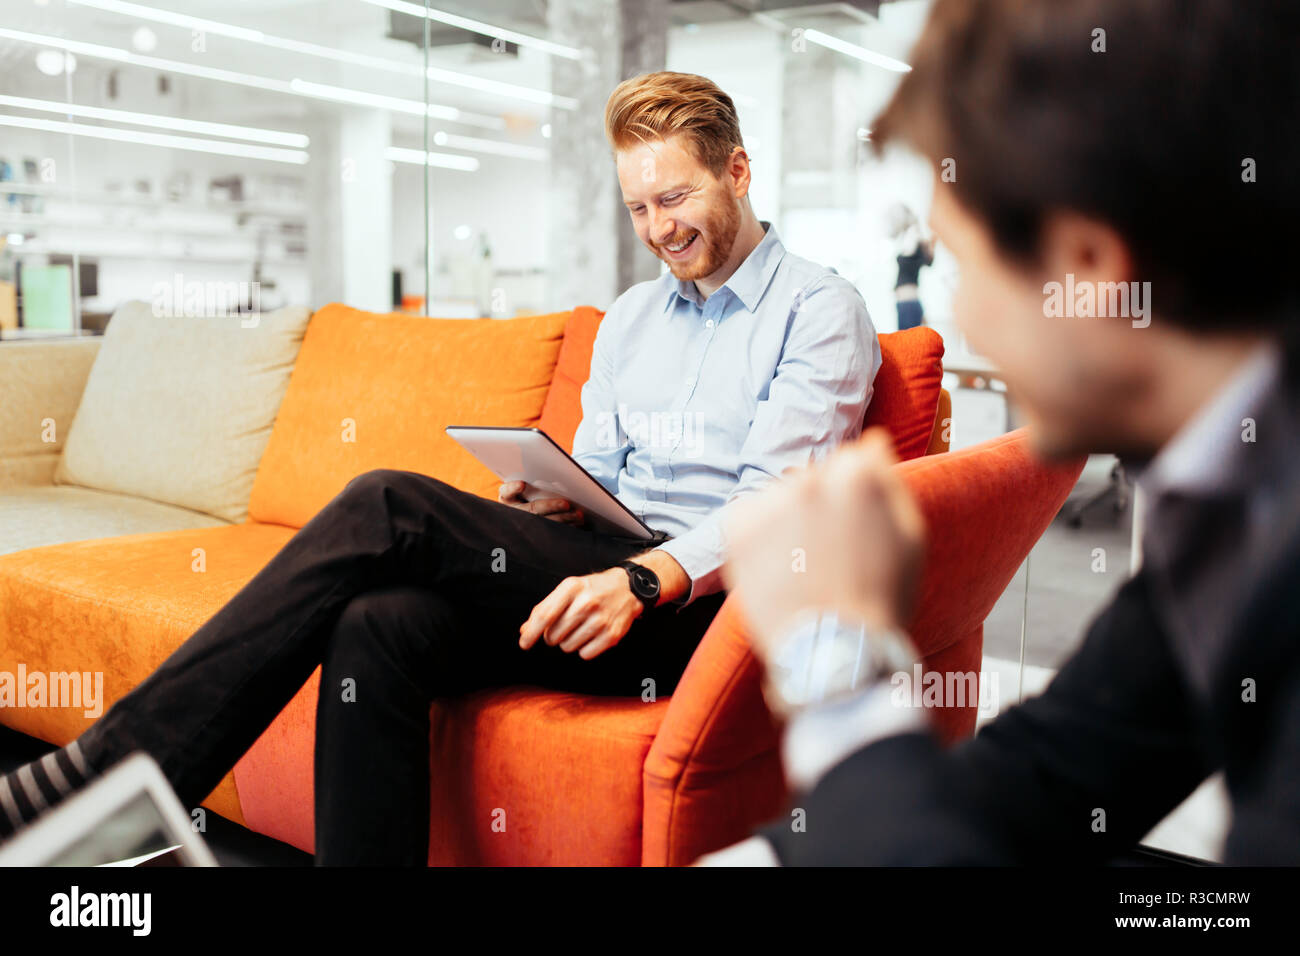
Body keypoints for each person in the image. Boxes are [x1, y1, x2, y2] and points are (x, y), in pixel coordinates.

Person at [0, 72, 879, 865]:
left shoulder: (819, 310)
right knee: (377, 623)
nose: (658, 228)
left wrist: (645, 580)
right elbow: (606, 475)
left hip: (699, 608)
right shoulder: (632, 318)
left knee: (389, 504)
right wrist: (558, 501)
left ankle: (119, 767)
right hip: (604, 569)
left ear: (738, 172)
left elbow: (779, 507)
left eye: (675, 196)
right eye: (638, 208)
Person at [700, 0, 1300, 865]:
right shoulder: (1234, 487)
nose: (964, 317)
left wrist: (836, 671)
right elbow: (1056, 775)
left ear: (1088, 269)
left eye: (959, 262)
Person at [888, 202, 933, 330]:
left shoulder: (913, 236)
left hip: (908, 304)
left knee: (907, 347)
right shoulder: (912, 239)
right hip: (906, 303)